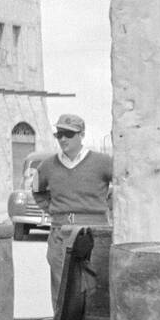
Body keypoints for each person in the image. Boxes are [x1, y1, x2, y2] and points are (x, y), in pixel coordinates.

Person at [32, 114, 112, 303]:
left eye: (68, 134)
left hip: (95, 233)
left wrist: (108, 207)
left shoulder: (103, 162)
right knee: (62, 289)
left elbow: (124, 184)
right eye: (58, 134)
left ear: (81, 135)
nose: (63, 139)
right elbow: (37, 191)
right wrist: (52, 209)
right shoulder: (47, 166)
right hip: (61, 233)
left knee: (95, 287)